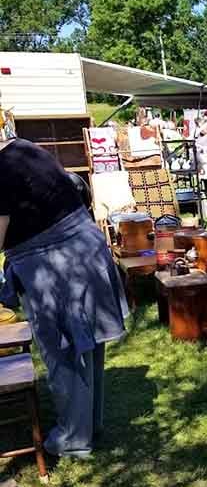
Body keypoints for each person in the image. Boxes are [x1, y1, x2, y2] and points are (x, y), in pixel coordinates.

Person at [0, 137, 128, 459]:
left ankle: (73, 438)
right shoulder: (23, 148)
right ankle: (89, 425)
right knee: (88, 349)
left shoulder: (1, 171)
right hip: (84, 251)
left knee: (64, 353)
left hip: (57, 265)